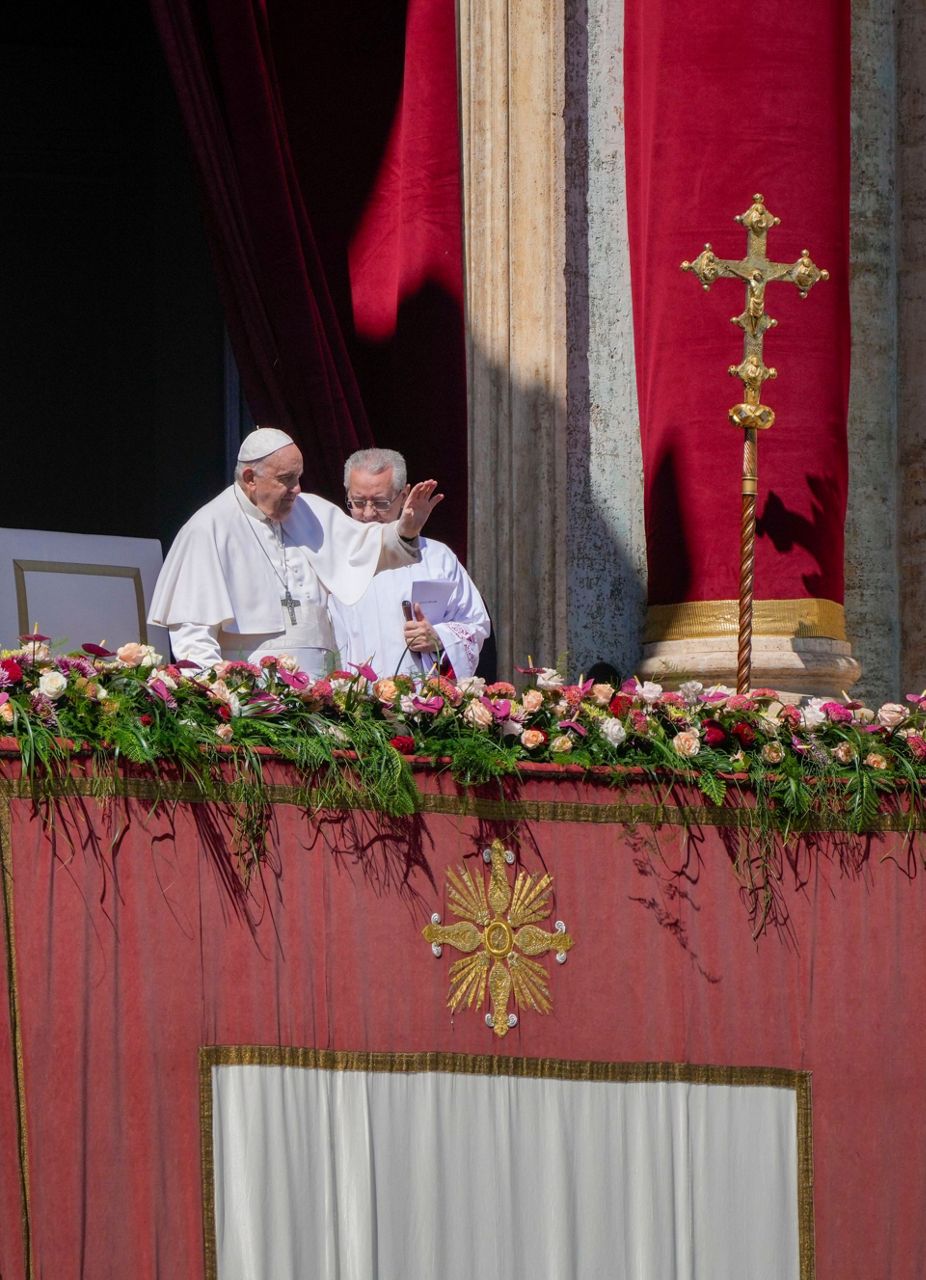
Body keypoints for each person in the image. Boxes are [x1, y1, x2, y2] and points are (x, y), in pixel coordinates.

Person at [148, 428, 442, 675]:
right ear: (250, 478)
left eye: (298, 477)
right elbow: (193, 632)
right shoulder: (208, 527)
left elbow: (365, 546)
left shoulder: (308, 510)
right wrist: (216, 697)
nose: (298, 489)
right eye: (286, 479)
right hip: (252, 696)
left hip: (320, 690)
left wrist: (405, 529)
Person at [328, 448, 490, 680]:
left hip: (421, 703)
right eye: (358, 501)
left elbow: (476, 624)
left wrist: (439, 637)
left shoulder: (436, 558)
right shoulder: (331, 558)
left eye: (381, 502)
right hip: (351, 705)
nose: (368, 513)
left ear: (403, 497)